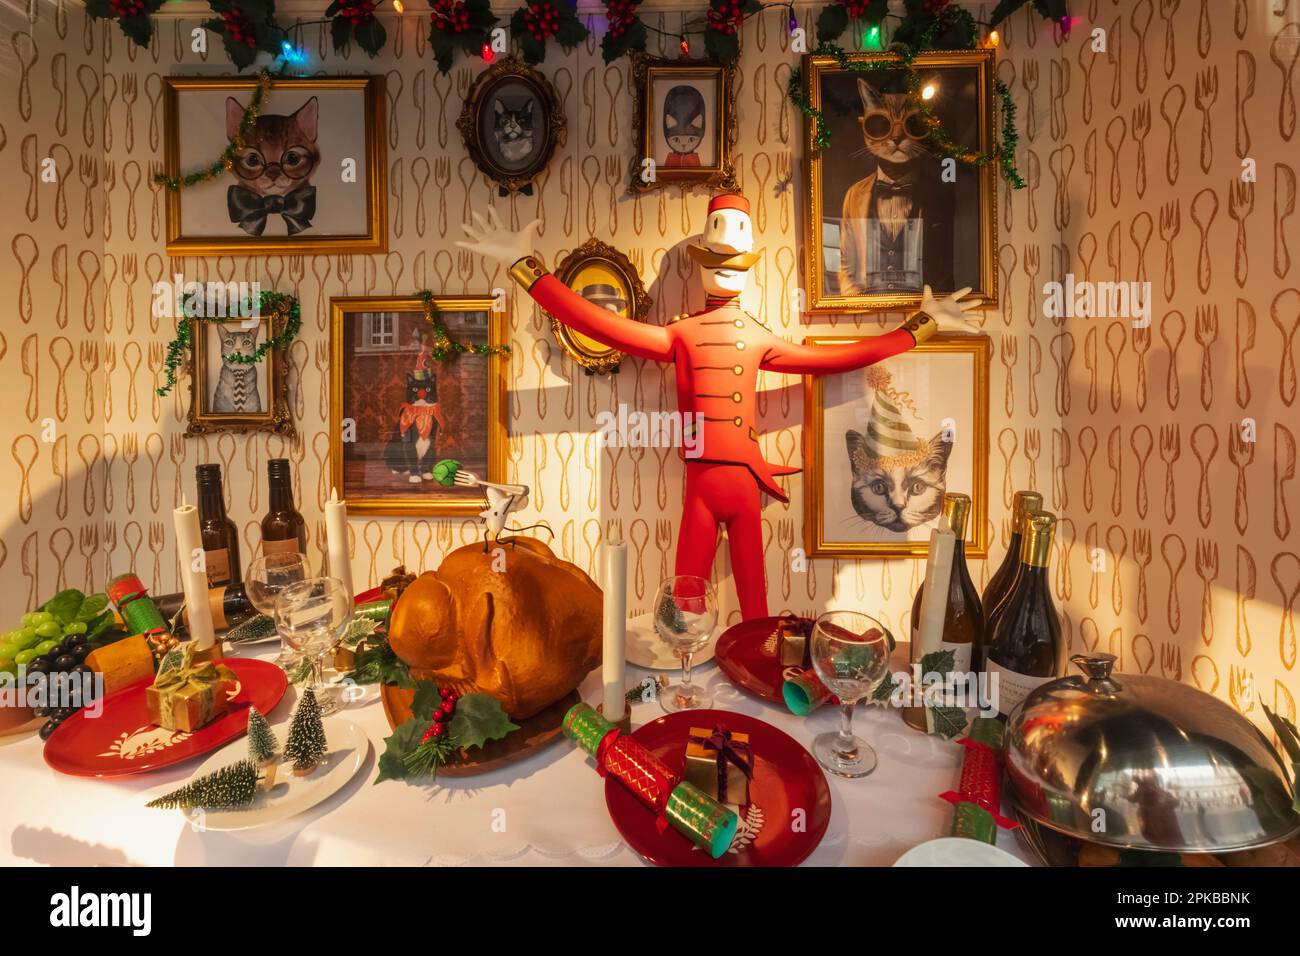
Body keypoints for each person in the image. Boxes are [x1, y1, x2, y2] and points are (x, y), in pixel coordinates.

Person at [456, 195, 983, 620]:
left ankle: (757, 690)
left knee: (756, 606)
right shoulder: (681, 334)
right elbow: (598, 323)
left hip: (745, 489)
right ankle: (688, 689)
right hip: (701, 491)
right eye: (714, 258)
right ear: (698, 264)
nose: (726, 268)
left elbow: (841, 358)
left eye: (736, 259)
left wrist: (921, 326)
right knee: (685, 603)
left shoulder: (755, 338)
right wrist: (527, 269)